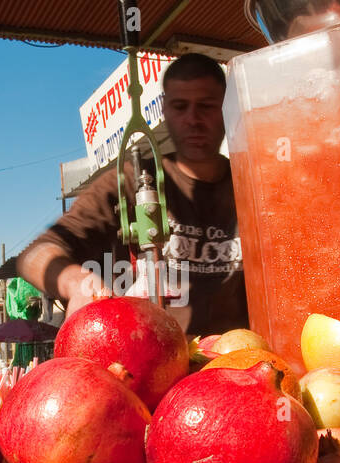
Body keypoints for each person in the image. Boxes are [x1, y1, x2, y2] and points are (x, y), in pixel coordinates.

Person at [18, 53, 247, 337]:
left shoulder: (251, 182)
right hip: (156, 360)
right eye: (180, 106)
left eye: (206, 106)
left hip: (244, 360)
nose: (193, 120)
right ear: (165, 110)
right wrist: (76, 283)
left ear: (227, 109)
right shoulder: (131, 181)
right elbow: (35, 255)